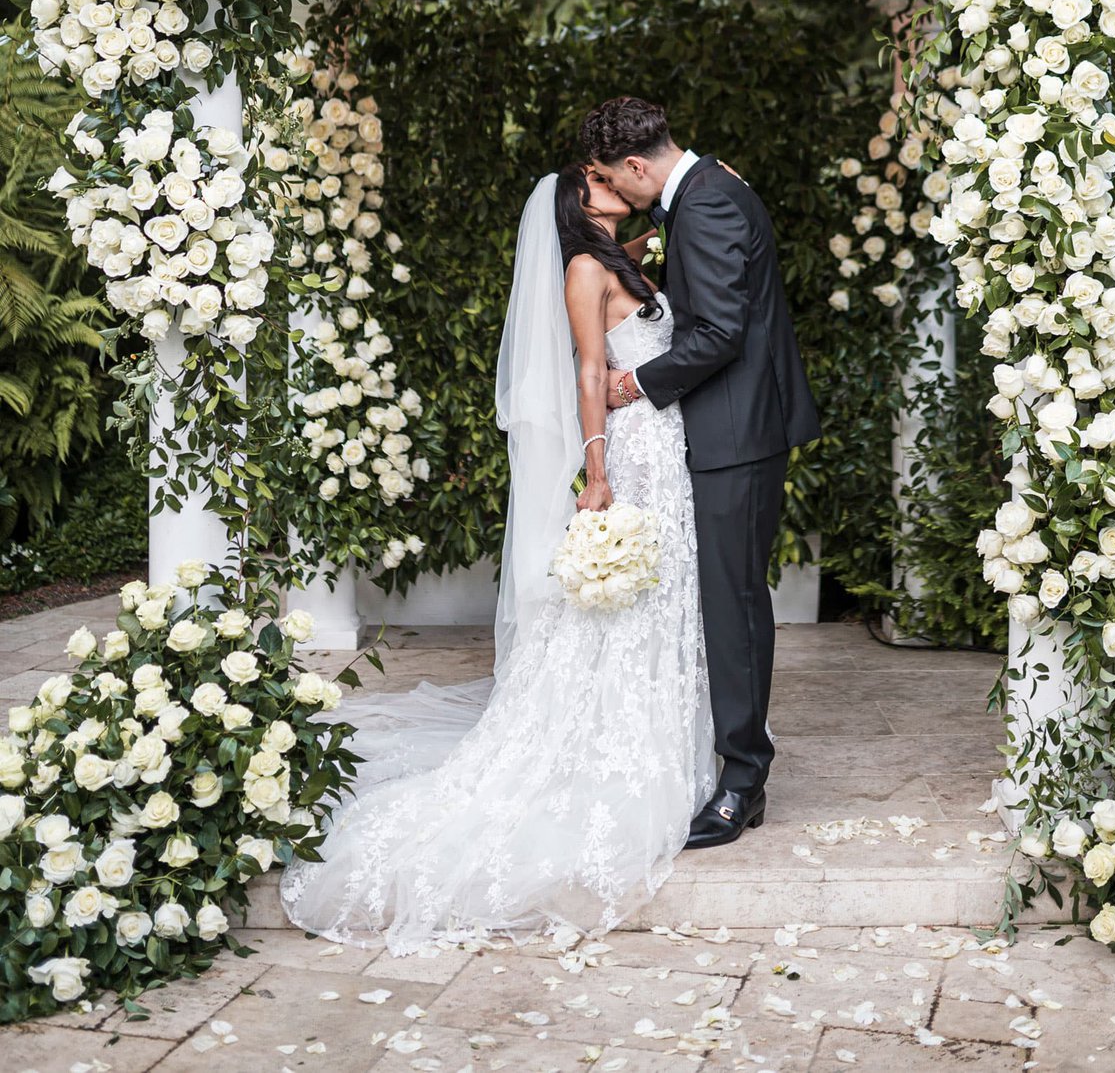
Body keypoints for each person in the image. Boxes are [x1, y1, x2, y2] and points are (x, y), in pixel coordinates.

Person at [279, 165, 714, 951]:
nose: (605, 177)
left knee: (658, 600)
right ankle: (612, 749)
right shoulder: (585, 268)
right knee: (626, 605)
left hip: (665, 446)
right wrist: (597, 469)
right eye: (591, 180)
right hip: (632, 456)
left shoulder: (621, 258)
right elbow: (588, 367)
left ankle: (663, 737)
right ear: (576, 208)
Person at [580, 96, 821, 849]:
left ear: (637, 164)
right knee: (728, 599)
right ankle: (738, 762)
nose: (619, 195)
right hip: (731, 427)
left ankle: (743, 780)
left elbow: (717, 333)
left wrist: (632, 386)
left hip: (737, 432)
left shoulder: (708, 201)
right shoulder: (704, 187)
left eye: (617, 180)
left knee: (735, 605)